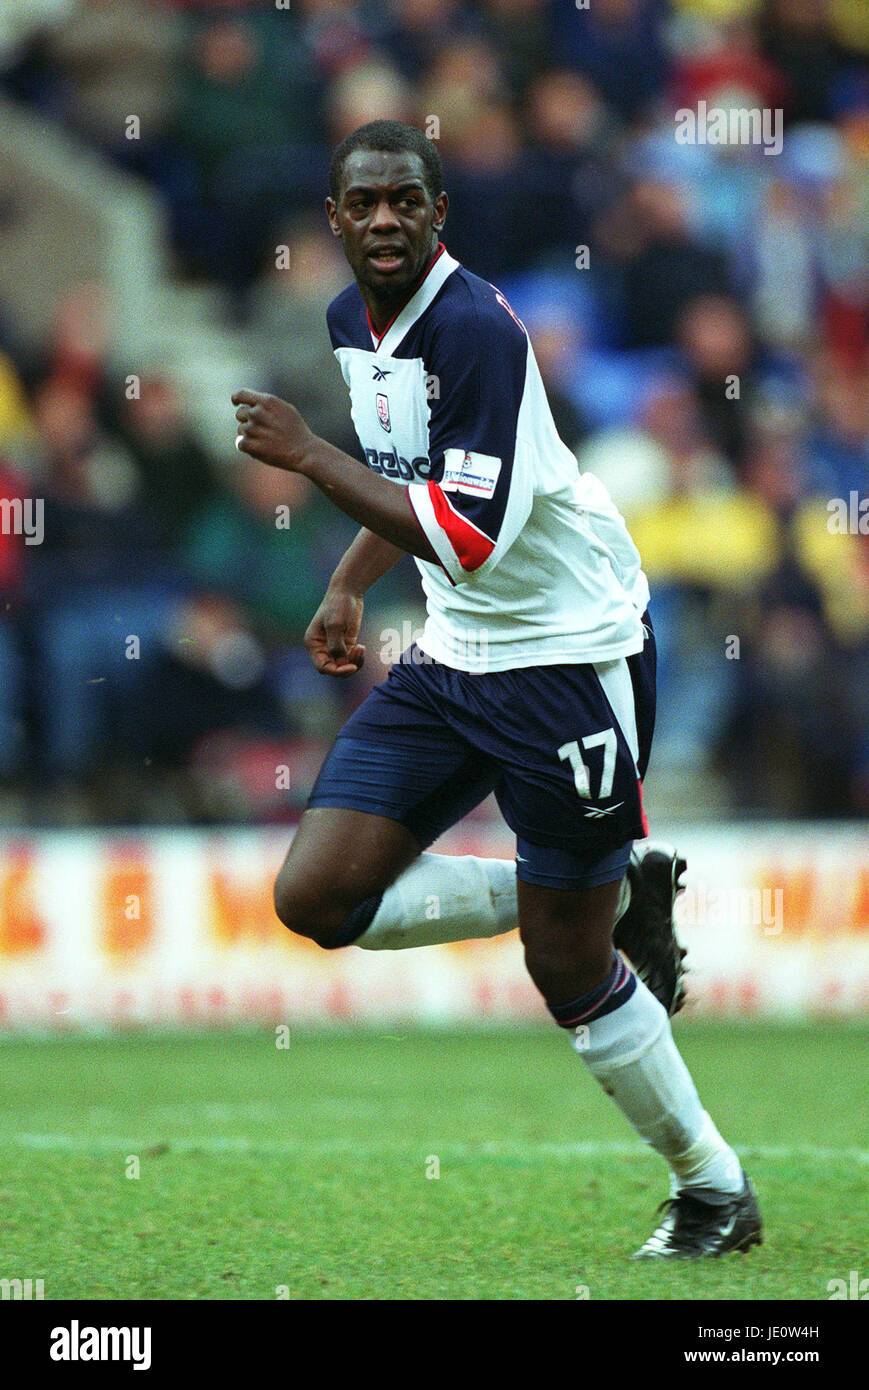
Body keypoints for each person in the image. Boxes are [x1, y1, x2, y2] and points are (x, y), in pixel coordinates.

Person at [231, 120, 761, 1259]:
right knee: (318, 898)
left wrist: (307, 456)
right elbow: (408, 476)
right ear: (334, 217)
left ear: (437, 215)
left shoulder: (474, 327)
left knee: (562, 966)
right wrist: (345, 583)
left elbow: (465, 534)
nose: (382, 220)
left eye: (403, 202)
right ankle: (609, 888)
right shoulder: (349, 323)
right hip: (457, 650)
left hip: (569, 653)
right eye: (361, 202)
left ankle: (711, 1187)